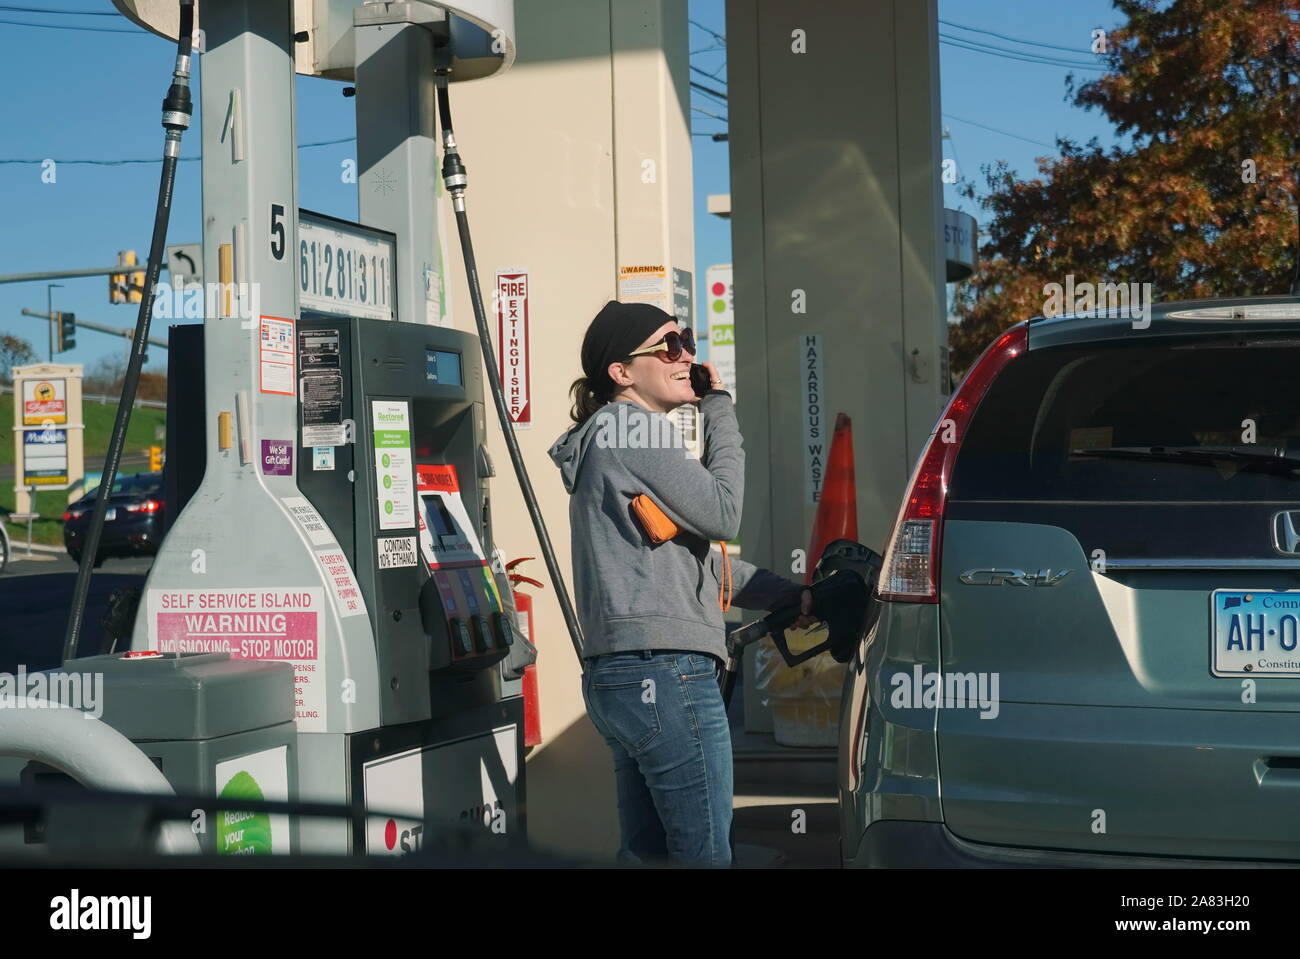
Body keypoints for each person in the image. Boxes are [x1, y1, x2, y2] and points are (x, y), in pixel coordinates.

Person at [548, 299, 814, 867]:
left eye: (687, 342)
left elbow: (693, 563)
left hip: (622, 674)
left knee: (649, 854)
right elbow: (723, 513)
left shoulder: (611, 441)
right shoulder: (631, 426)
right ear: (622, 373)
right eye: (668, 346)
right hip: (666, 674)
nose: (686, 355)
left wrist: (788, 595)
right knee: (702, 855)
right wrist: (719, 407)